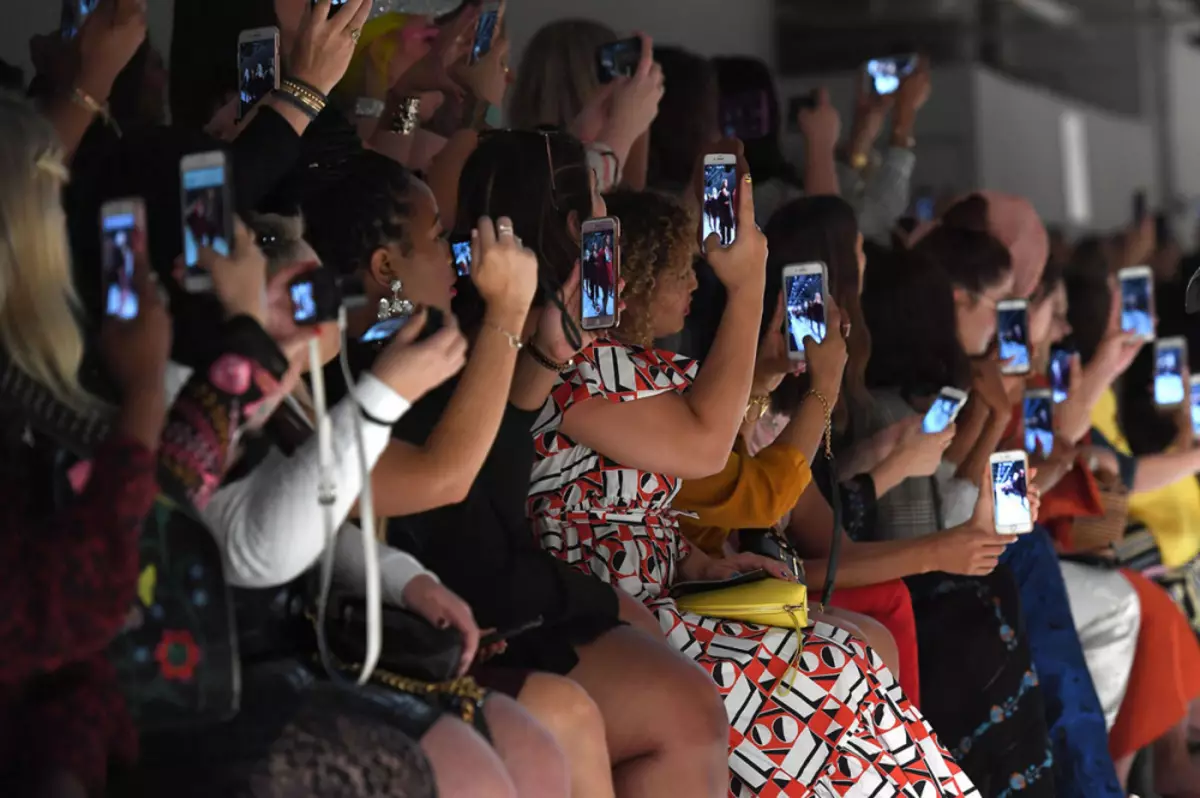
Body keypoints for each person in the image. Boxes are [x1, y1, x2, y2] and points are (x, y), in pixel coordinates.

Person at [527, 181, 976, 795]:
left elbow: (658, 500)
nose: (693, 283)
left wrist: (703, 562)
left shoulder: (631, 370)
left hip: (673, 585)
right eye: (679, 269)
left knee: (850, 656)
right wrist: (759, 301)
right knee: (826, 667)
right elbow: (739, 476)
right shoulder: (574, 371)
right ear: (637, 279)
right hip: (618, 605)